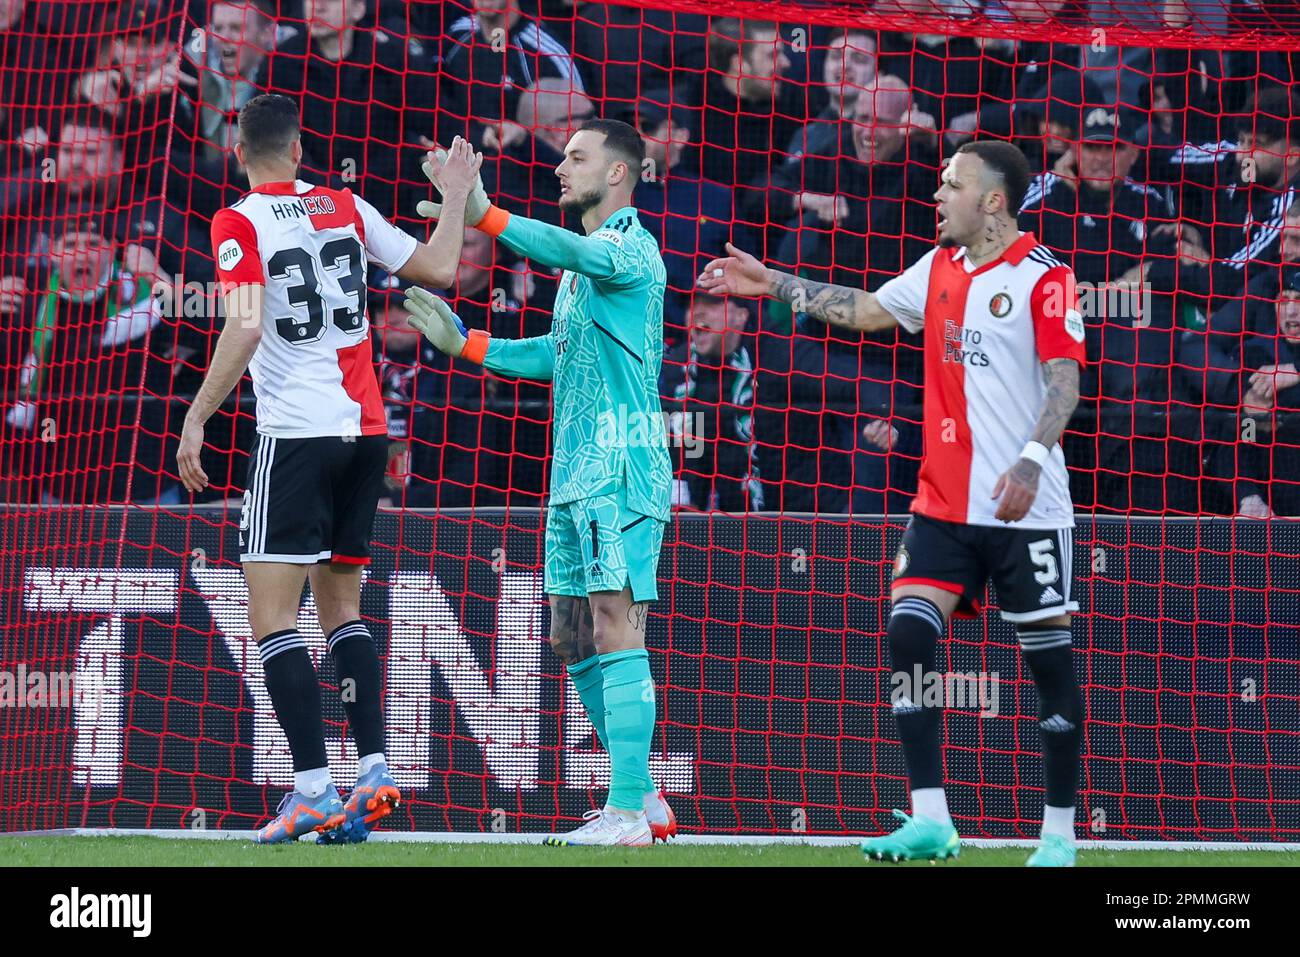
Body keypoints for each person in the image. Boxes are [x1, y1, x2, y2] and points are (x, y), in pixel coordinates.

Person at [699, 140, 1088, 867]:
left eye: (953, 184)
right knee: (909, 636)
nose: (938, 195)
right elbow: (869, 310)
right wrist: (773, 282)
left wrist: (1033, 461)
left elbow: (1064, 378)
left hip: (1025, 510)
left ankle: (1060, 834)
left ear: (993, 202)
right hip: (941, 504)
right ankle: (932, 818)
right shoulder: (937, 265)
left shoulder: (1047, 278)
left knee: (1049, 672)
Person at [175, 93, 484, 844]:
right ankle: (374, 769)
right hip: (367, 433)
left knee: (271, 615)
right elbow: (444, 266)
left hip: (296, 434)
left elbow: (245, 323)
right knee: (340, 608)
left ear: (238, 154)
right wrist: (451, 199)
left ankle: (312, 786)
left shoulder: (237, 219)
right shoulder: (347, 203)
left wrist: (197, 413)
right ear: (303, 150)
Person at [403, 118, 677, 847]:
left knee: (615, 622)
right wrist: (467, 342)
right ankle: (645, 798)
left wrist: (485, 213)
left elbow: (567, 245)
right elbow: (555, 354)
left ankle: (624, 811)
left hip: (620, 463)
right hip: (575, 469)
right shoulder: (581, 273)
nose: (561, 167)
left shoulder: (625, 250)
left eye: (577, 158)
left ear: (617, 175)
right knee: (568, 632)